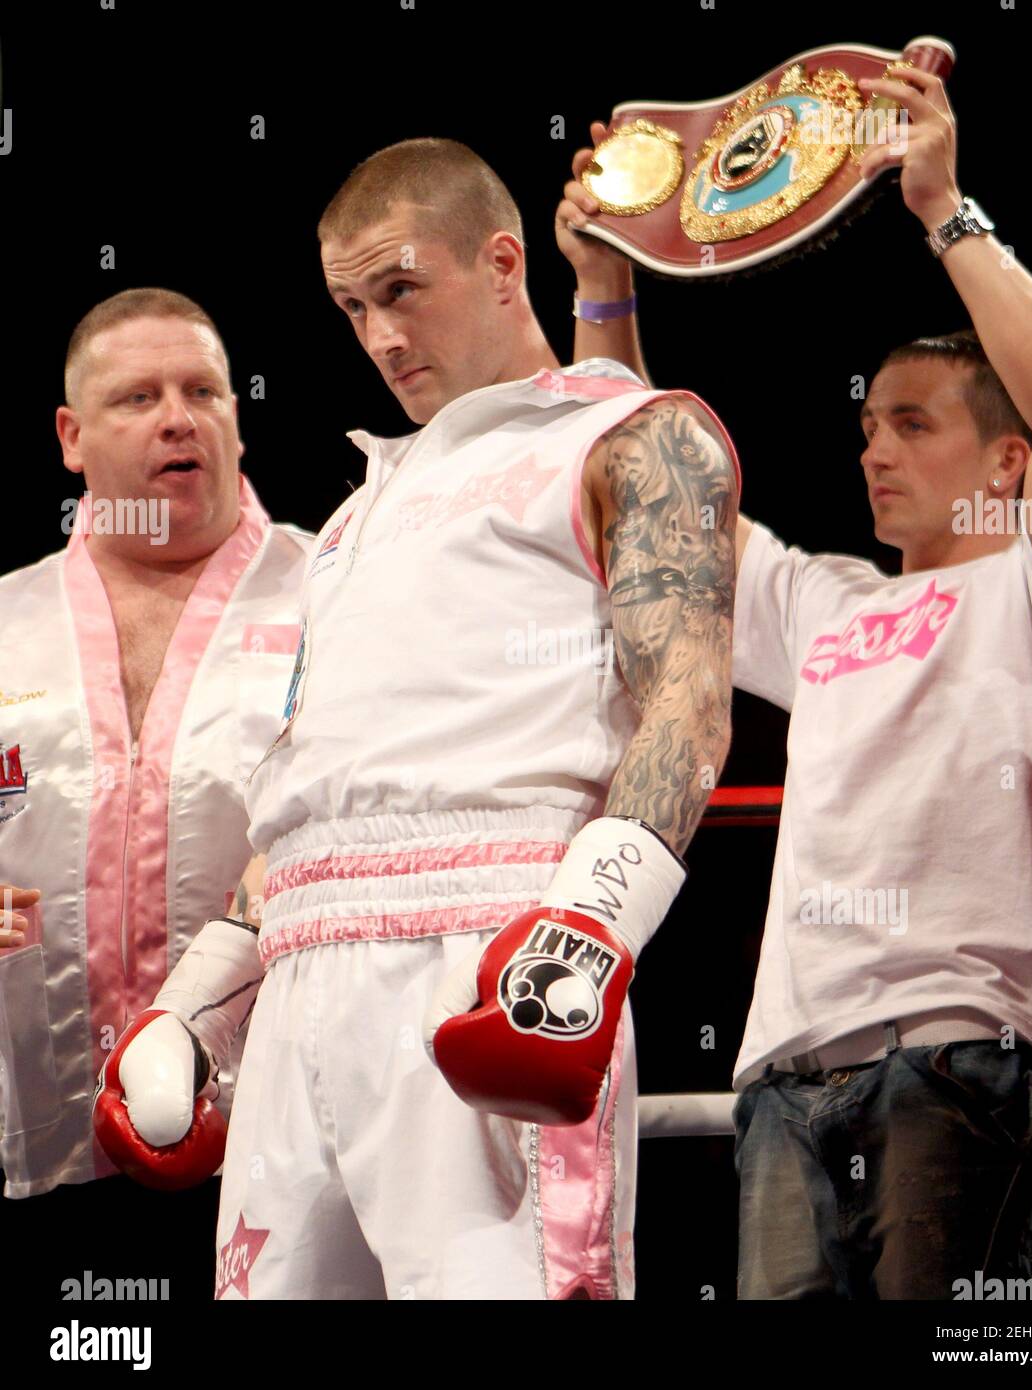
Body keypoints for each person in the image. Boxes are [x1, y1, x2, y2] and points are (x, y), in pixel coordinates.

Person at [96, 138, 741, 1300]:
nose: (380, 335)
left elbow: (688, 708)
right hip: (299, 987)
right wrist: (192, 1008)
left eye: (401, 289)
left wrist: (587, 935)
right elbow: (312, 798)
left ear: (503, 263)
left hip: (486, 958)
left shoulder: (631, 438)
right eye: (352, 306)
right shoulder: (349, 521)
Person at [557, 69, 1032, 1298]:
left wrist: (942, 205)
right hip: (786, 1078)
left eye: (913, 425)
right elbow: (653, 494)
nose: (875, 449)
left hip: (959, 1060)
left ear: (1002, 458)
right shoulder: (828, 601)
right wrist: (608, 270)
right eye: (870, 429)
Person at [0, 289, 314, 1298]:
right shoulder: (1, 621)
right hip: (33, 1135)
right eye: (137, 396)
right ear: (71, 436)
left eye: (203, 391)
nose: (178, 417)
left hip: (278, 1143)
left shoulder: (336, 595)